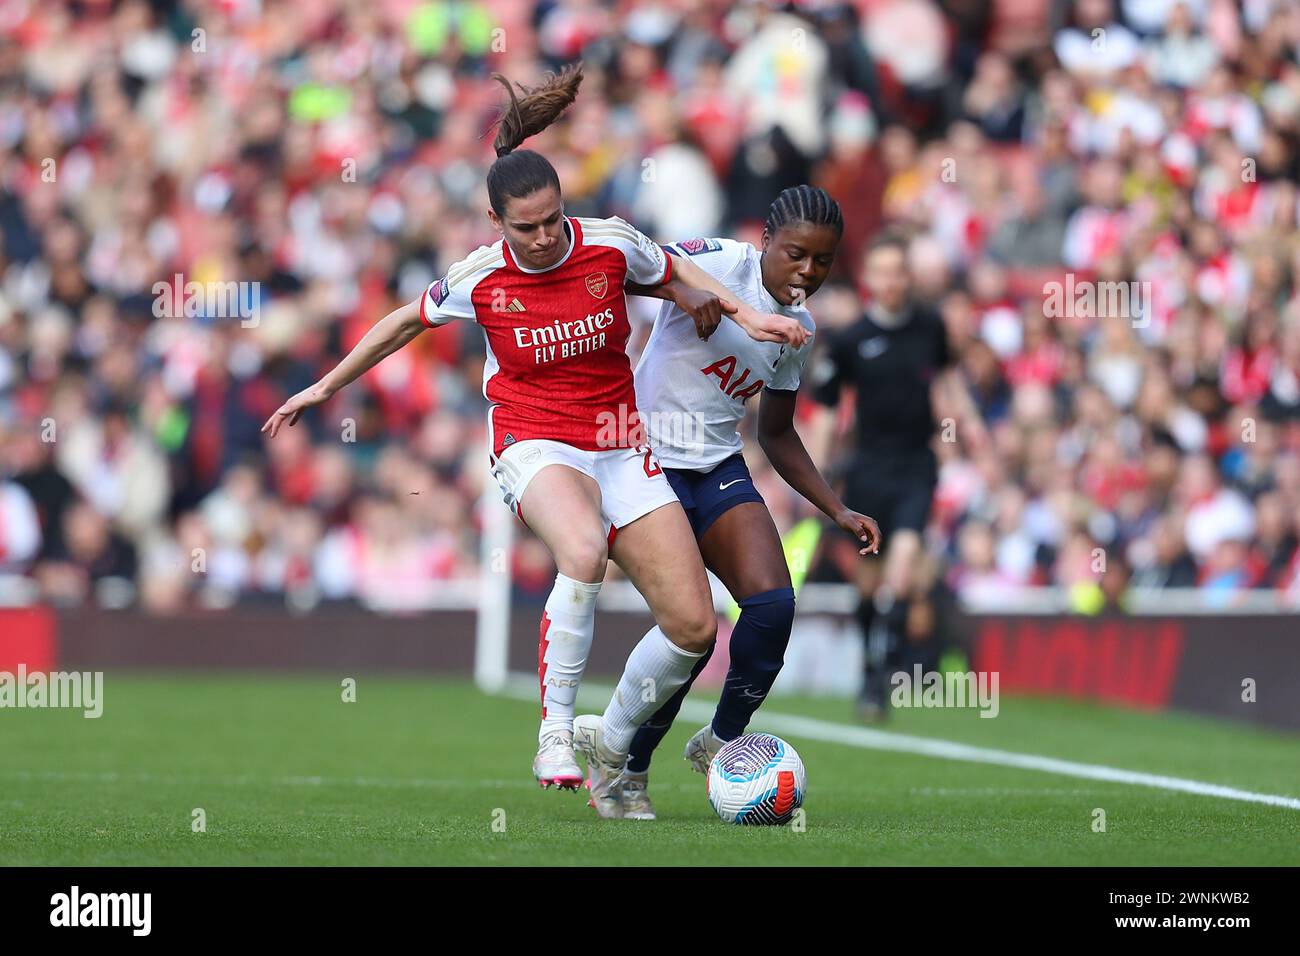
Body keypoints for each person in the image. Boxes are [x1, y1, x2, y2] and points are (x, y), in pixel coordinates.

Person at [261, 64, 807, 796]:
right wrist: (326, 386)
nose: (546, 236)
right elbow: (399, 323)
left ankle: (610, 743)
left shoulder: (608, 244)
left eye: (554, 218)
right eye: (528, 227)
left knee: (695, 624)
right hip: (533, 440)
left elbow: (674, 270)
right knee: (581, 551)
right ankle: (554, 731)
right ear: (497, 225)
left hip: (619, 439)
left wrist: (746, 314)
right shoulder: (482, 275)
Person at [578, 185, 883, 820]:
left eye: (822, 262)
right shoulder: (717, 261)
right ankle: (627, 772)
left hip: (716, 465)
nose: (807, 272)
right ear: (765, 242)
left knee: (773, 605)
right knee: (689, 633)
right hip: (646, 463)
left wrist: (837, 509)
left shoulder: (800, 328)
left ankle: (720, 741)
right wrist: (685, 292)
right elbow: (623, 264)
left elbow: (775, 430)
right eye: (796, 254)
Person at [809, 231, 988, 719]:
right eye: (881, 272)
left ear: (909, 276)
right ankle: (870, 666)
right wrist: (818, 477)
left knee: (902, 572)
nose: (891, 281)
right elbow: (827, 409)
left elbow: (948, 378)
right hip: (868, 469)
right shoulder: (851, 340)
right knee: (867, 585)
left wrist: (969, 422)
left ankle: (883, 671)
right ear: (869, 278)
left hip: (915, 466)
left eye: (898, 271)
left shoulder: (929, 327)